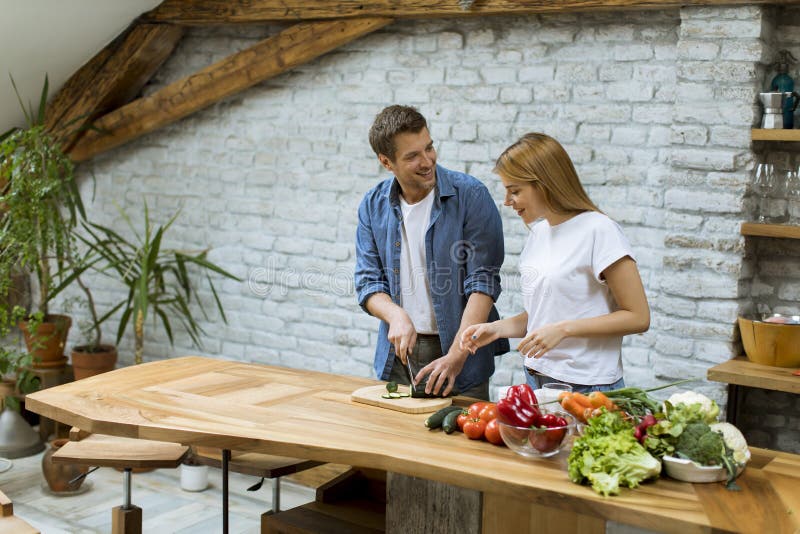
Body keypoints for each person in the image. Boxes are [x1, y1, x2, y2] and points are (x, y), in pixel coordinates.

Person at [460, 133, 650, 394]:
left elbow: (638, 317)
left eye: (515, 191)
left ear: (544, 184)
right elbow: (542, 317)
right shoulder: (538, 235)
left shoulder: (599, 230)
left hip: (588, 386)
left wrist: (564, 330)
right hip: (537, 378)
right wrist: (495, 329)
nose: (506, 201)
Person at [355, 105, 508, 399]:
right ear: (387, 162)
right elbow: (368, 282)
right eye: (412, 156)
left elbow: (483, 283)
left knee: (461, 442)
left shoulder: (471, 196)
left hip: (462, 349)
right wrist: (395, 315)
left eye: (429, 148)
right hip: (398, 357)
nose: (427, 161)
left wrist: (457, 355)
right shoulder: (372, 206)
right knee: (396, 442)